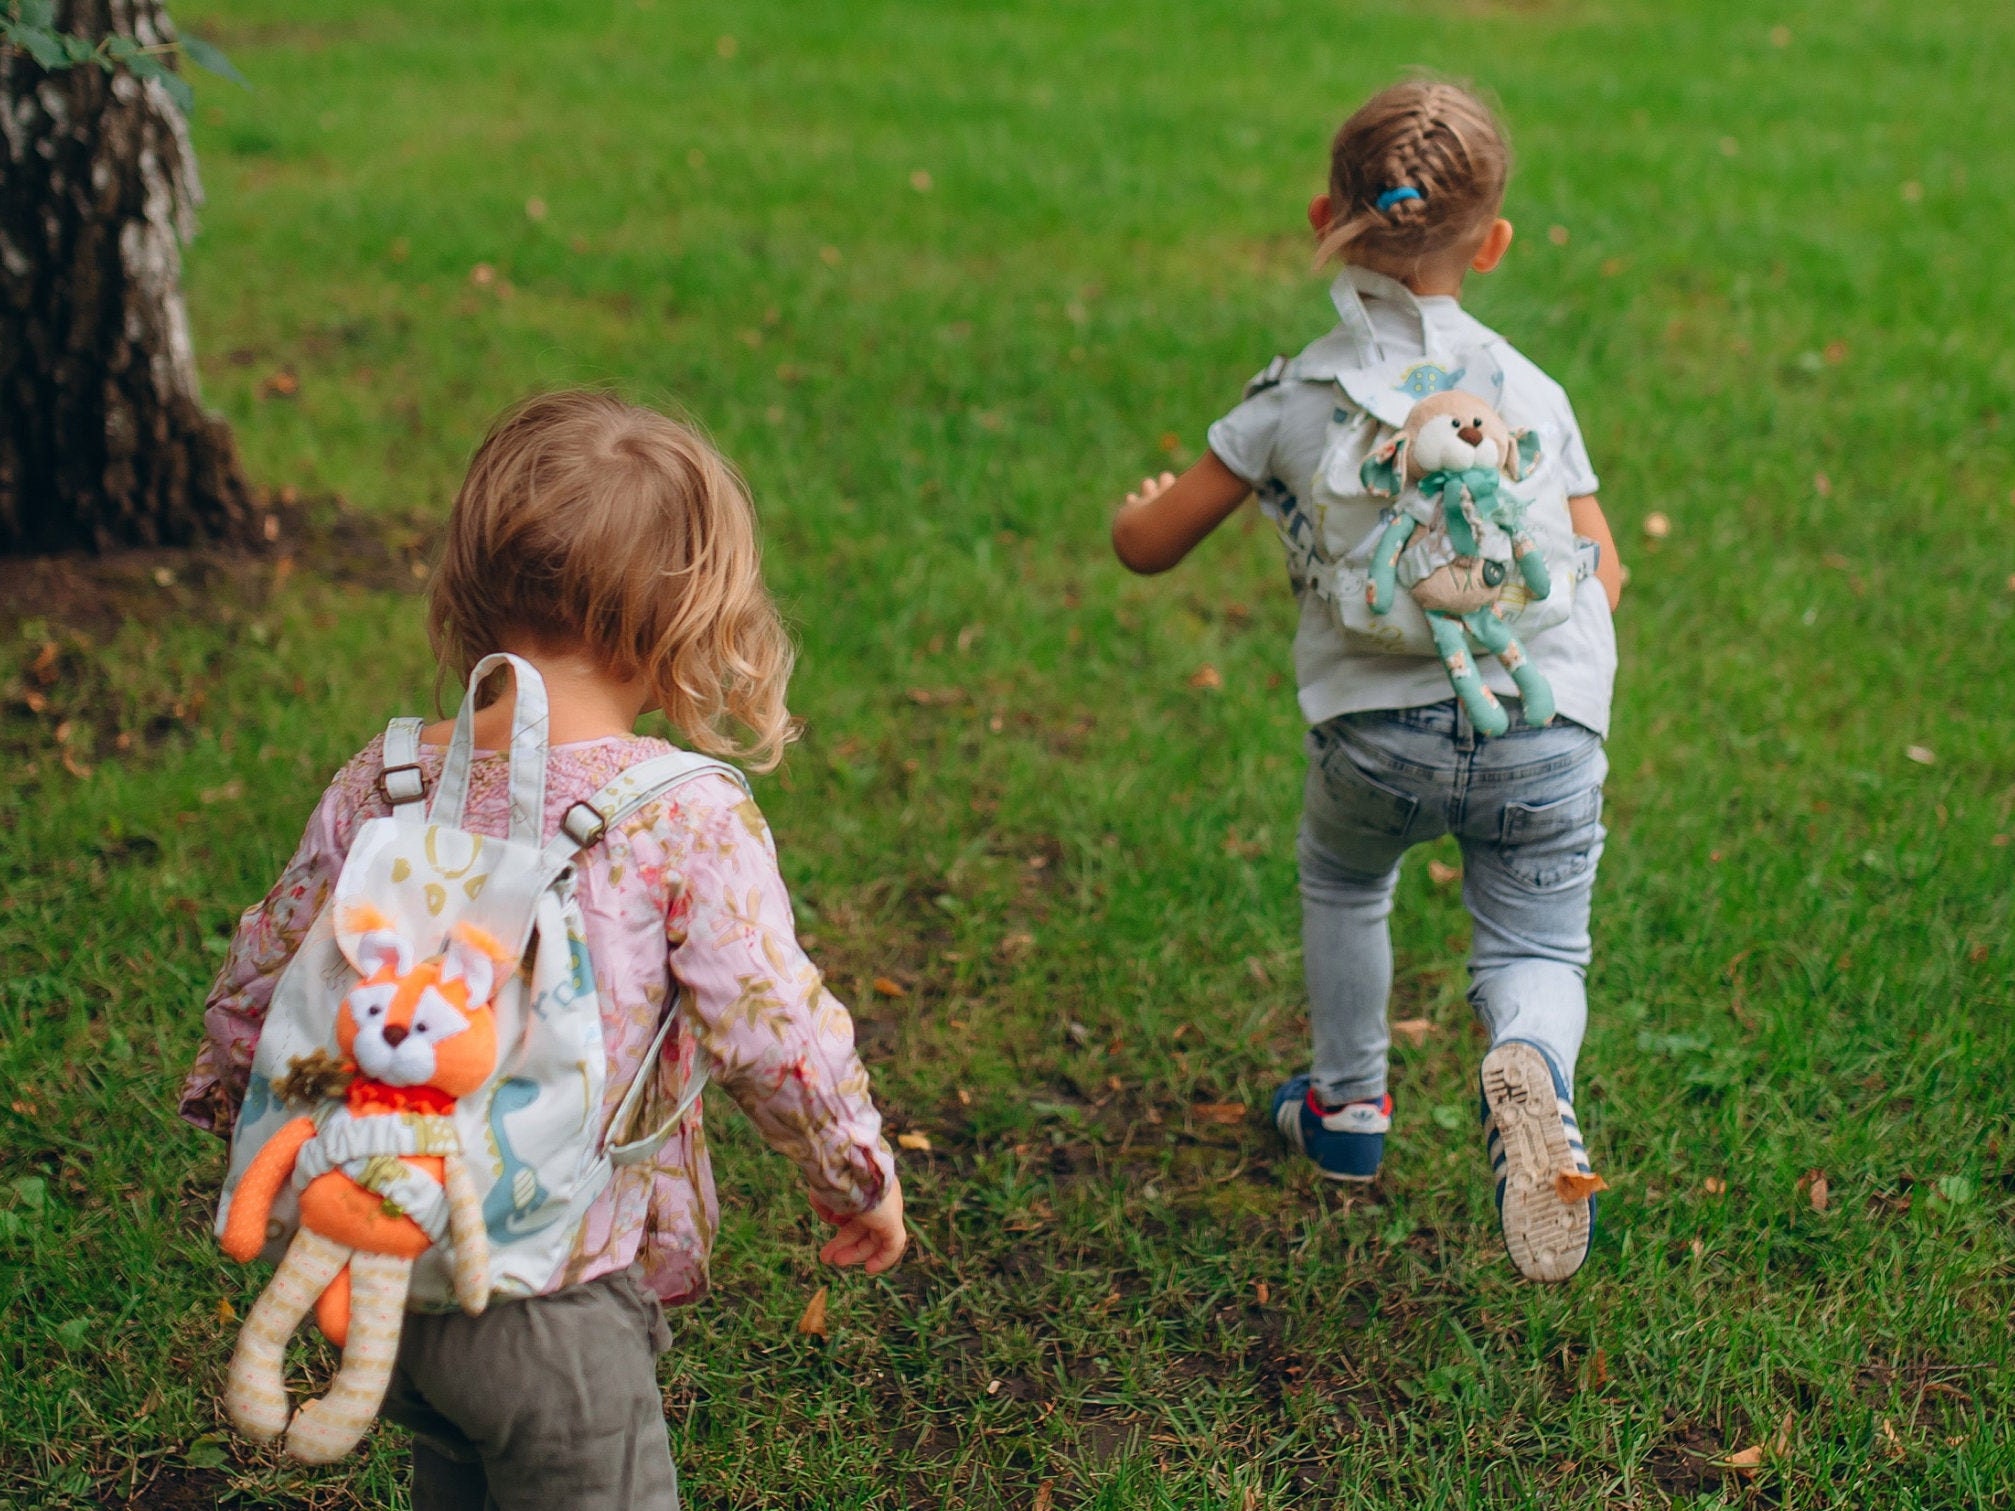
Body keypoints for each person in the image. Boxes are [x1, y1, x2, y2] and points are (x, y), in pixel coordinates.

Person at [181, 391, 907, 1506]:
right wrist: (851, 1170)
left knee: (458, 1476)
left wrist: (234, 1092)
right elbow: (773, 1027)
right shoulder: (681, 816)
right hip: (554, 1297)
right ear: (685, 620)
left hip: (387, 1275)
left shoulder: (386, 780)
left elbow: (268, 968)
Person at [1110, 78, 1622, 1283]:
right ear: (1491, 244)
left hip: (1371, 733)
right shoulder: (1529, 393)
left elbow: (1148, 543)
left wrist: (1136, 512)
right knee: (1536, 944)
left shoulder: (1289, 396)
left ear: (1319, 217)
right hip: (1543, 728)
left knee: (1344, 881)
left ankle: (1347, 1109)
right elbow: (1604, 570)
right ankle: (1533, 1073)